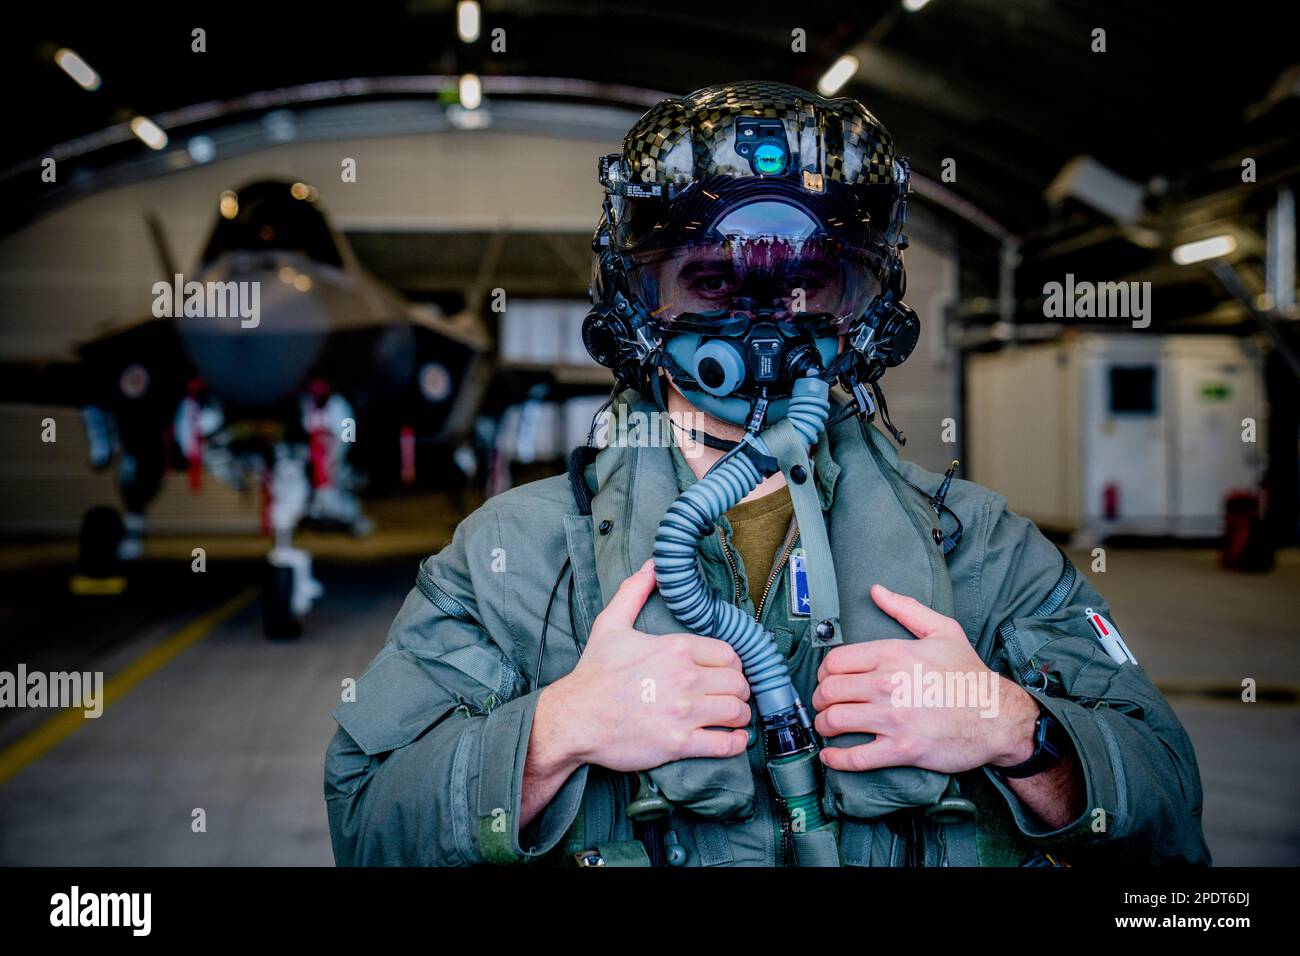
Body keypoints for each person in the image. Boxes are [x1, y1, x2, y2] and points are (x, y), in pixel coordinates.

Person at [324, 81, 1210, 867]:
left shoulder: (982, 549)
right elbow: (367, 825)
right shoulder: (509, 557)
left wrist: (1020, 733)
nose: (759, 324)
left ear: (859, 302)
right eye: (711, 281)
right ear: (638, 298)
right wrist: (554, 734)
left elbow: (1170, 828)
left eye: (802, 285)